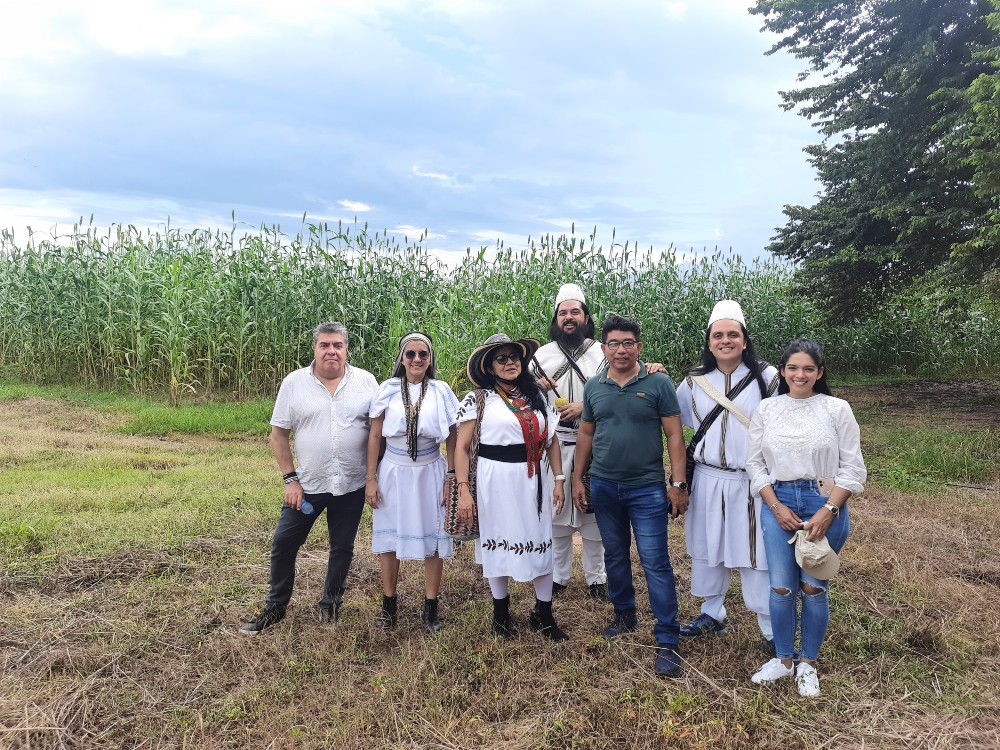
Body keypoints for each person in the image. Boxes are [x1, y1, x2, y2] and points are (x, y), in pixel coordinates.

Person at [241, 322, 379, 635]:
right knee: (283, 543)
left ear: (346, 350)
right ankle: (276, 606)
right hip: (308, 485)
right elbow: (278, 435)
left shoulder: (367, 382)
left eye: (338, 345)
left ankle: (331, 602)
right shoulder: (294, 383)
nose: (332, 351)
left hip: (351, 483)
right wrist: (291, 480)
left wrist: (373, 476)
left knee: (342, 546)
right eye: (325, 345)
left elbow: (377, 432)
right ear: (315, 349)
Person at [746, 339, 866, 697]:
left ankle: (808, 663)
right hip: (778, 500)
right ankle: (783, 659)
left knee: (813, 587)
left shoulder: (836, 409)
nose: (800, 375)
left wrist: (829, 510)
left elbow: (853, 467)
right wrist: (775, 506)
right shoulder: (766, 409)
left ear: (820, 373)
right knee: (781, 586)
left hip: (823, 499)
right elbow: (755, 464)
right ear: (782, 372)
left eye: (808, 369)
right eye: (793, 368)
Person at [572, 314, 689, 677]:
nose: (621, 350)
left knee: (655, 561)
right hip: (605, 486)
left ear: (638, 346)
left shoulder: (658, 383)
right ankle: (624, 614)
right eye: (613, 344)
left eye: (628, 343)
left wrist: (678, 483)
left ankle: (667, 638)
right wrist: (578, 479)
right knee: (616, 555)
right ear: (603, 348)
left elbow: (673, 435)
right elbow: (587, 435)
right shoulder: (594, 386)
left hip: (647, 488)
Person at [676, 300, 780, 652]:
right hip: (706, 478)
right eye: (717, 335)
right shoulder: (693, 383)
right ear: (709, 342)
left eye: (732, 334)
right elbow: (673, 423)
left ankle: (770, 627)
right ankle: (712, 613)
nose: (725, 340)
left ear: (745, 339)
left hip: (751, 481)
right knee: (709, 547)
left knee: (755, 552)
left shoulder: (769, 378)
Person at [454, 333, 569, 641]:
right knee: (498, 542)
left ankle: (544, 615)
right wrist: (464, 488)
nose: (509, 363)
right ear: (490, 366)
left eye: (514, 357)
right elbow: (462, 448)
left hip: (534, 480)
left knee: (540, 541)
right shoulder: (478, 399)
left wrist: (559, 479)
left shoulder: (539, 397)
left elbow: (552, 440)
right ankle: (500, 614)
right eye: (501, 358)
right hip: (495, 480)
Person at [365, 332, 459, 633]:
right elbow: (375, 435)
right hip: (392, 470)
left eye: (423, 354)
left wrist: (452, 477)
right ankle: (389, 605)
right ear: (402, 358)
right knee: (390, 542)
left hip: (431, 471)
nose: (417, 359)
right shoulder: (388, 389)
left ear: (430, 359)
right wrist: (370, 478)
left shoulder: (442, 391)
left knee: (432, 537)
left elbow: (454, 436)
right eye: (411, 354)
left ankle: (431, 607)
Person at [530, 283, 609, 601]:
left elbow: (617, 390)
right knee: (557, 514)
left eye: (575, 311)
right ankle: (559, 575)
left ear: (586, 317)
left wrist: (584, 407)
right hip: (555, 445)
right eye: (563, 313)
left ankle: (597, 578)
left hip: (595, 443)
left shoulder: (603, 352)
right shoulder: (541, 356)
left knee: (594, 517)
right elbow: (525, 398)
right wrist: (535, 385)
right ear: (556, 319)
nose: (569, 317)